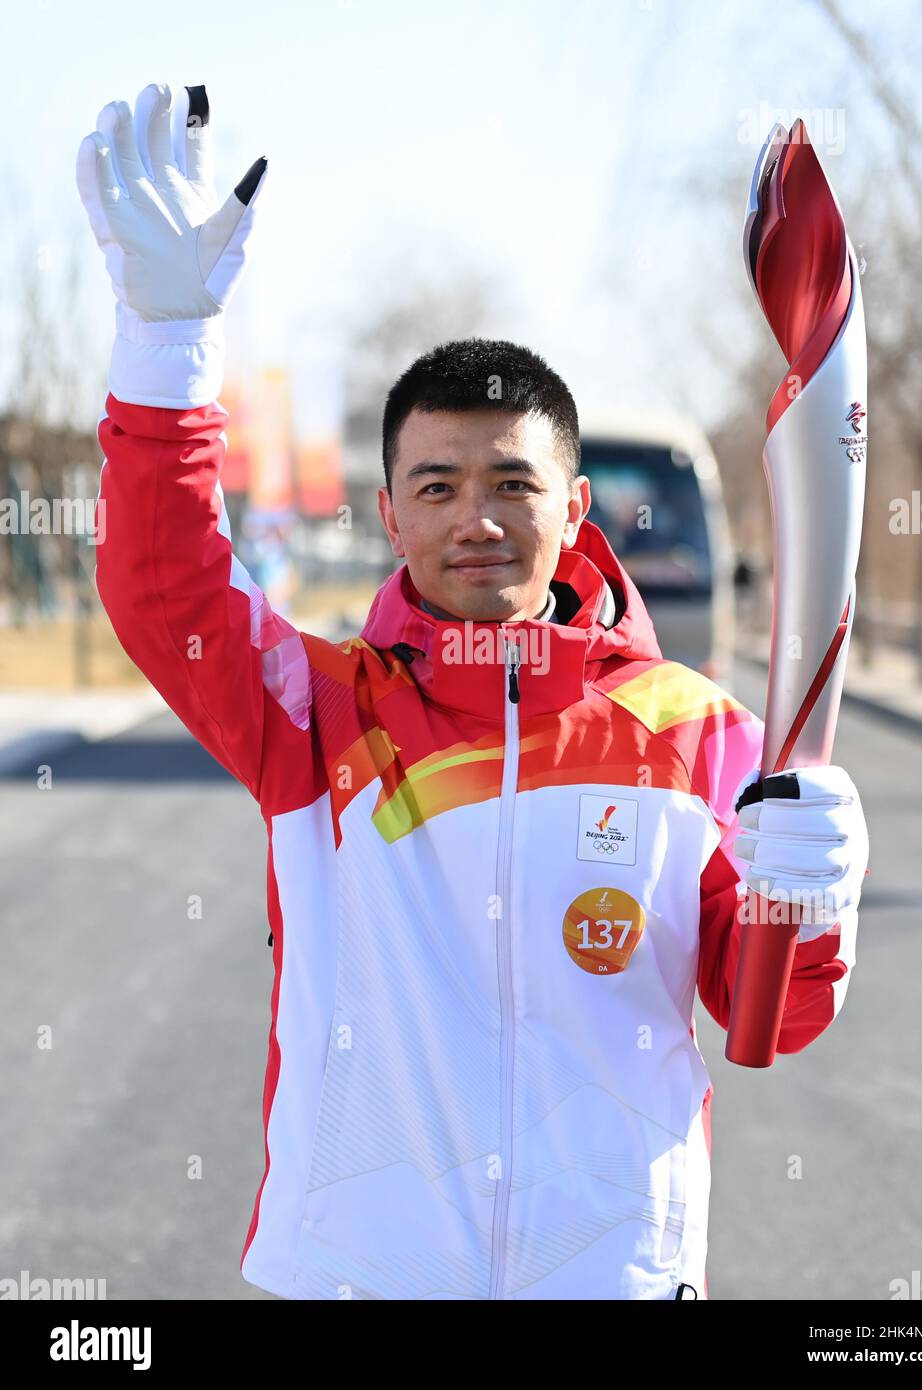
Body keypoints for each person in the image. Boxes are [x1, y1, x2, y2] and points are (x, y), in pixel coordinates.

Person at [76, 83, 870, 1302]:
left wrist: (815, 904)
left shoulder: (696, 730)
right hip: (356, 1281)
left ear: (574, 508)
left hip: (611, 1279)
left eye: (512, 481)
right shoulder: (317, 712)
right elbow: (164, 592)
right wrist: (164, 347)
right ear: (388, 513)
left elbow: (767, 1018)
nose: (477, 519)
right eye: (436, 486)